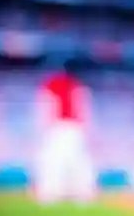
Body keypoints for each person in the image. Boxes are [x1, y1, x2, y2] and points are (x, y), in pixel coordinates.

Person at [32, 59, 96, 205]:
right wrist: (86, 129)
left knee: (53, 160)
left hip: (58, 126)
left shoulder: (52, 83)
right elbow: (83, 109)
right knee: (77, 160)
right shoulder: (78, 85)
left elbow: (47, 105)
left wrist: (44, 126)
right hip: (74, 127)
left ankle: (51, 193)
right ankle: (82, 193)